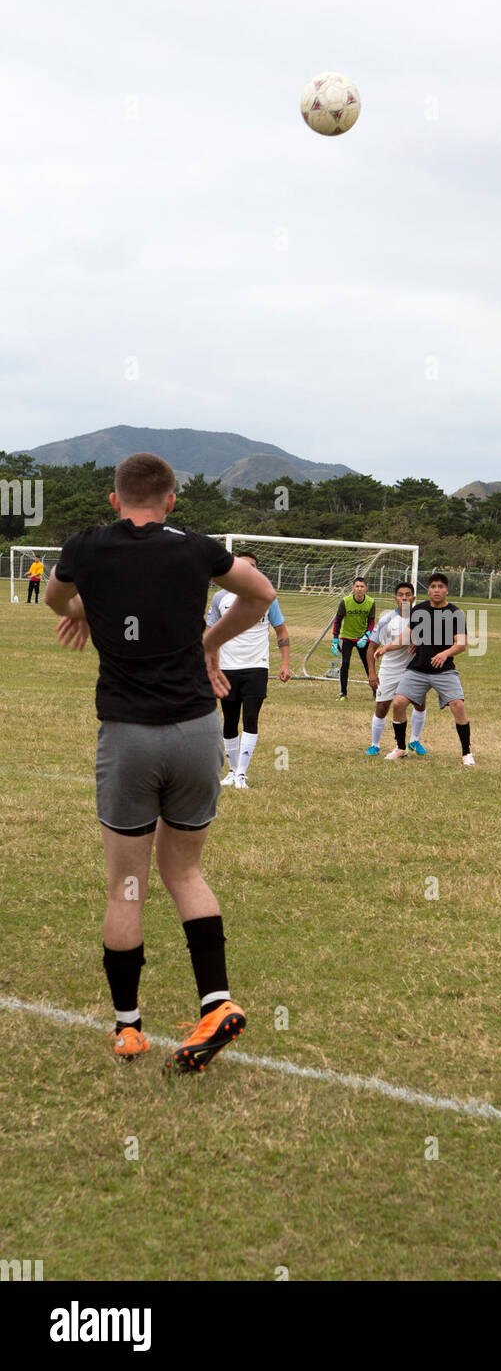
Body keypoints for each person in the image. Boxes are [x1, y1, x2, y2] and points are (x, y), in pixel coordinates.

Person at [44, 451, 275, 1071]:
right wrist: (210, 643)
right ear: (171, 500)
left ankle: (128, 1029)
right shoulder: (196, 547)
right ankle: (217, 1001)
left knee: (127, 885)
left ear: (114, 500)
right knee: (185, 872)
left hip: (129, 738)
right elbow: (260, 595)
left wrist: (88, 614)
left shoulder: (87, 546)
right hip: (199, 733)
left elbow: (52, 598)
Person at [206, 550, 290, 788]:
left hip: (256, 666)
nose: (248, 570)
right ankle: (232, 771)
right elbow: (210, 633)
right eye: (243, 566)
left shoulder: (266, 598)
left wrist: (285, 663)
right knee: (230, 720)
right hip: (227, 668)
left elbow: (281, 631)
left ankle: (242, 772)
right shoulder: (219, 598)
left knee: (251, 717)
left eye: (253, 566)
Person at [386, 572, 474, 767]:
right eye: (433, 586)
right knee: (398, 703)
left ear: (446, 590)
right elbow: (407, 636)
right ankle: (401, 748)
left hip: (444, 671)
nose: (436, 590)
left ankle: (466, 752)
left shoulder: (455, 613)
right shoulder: (419, 609)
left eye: (440, 587)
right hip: (418, 669)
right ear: (429, 589)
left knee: (458, 705)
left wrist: (445, 654)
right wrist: (386, 647)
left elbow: (461, 644)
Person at [365, 580, 428, 755]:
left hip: (413, 669)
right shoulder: (387, 620)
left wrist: (418, 643)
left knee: (420, 703)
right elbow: (371, 649)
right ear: (395, 599)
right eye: (401, 595)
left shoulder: (421, 617)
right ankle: (375, 745)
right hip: (390, 669)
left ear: (413, 598)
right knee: (382, 706)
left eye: (408, 595)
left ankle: (414, 740)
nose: (404, 598)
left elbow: (430, 639)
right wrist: (371, 672)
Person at [331, 577, 376, 700]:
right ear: (353, 588)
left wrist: (366, 635)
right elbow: (338, 620)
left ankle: (376, 691)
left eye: (362, 586)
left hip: (363, 638)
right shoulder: (345, 602)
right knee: (345, 664)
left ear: (366, 588)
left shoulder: (371, 602)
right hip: (347, 637)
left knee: (369, 665)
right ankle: (343, 694)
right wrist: (335, 639)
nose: (359, 589)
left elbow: (371, 622)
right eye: (357, 586)